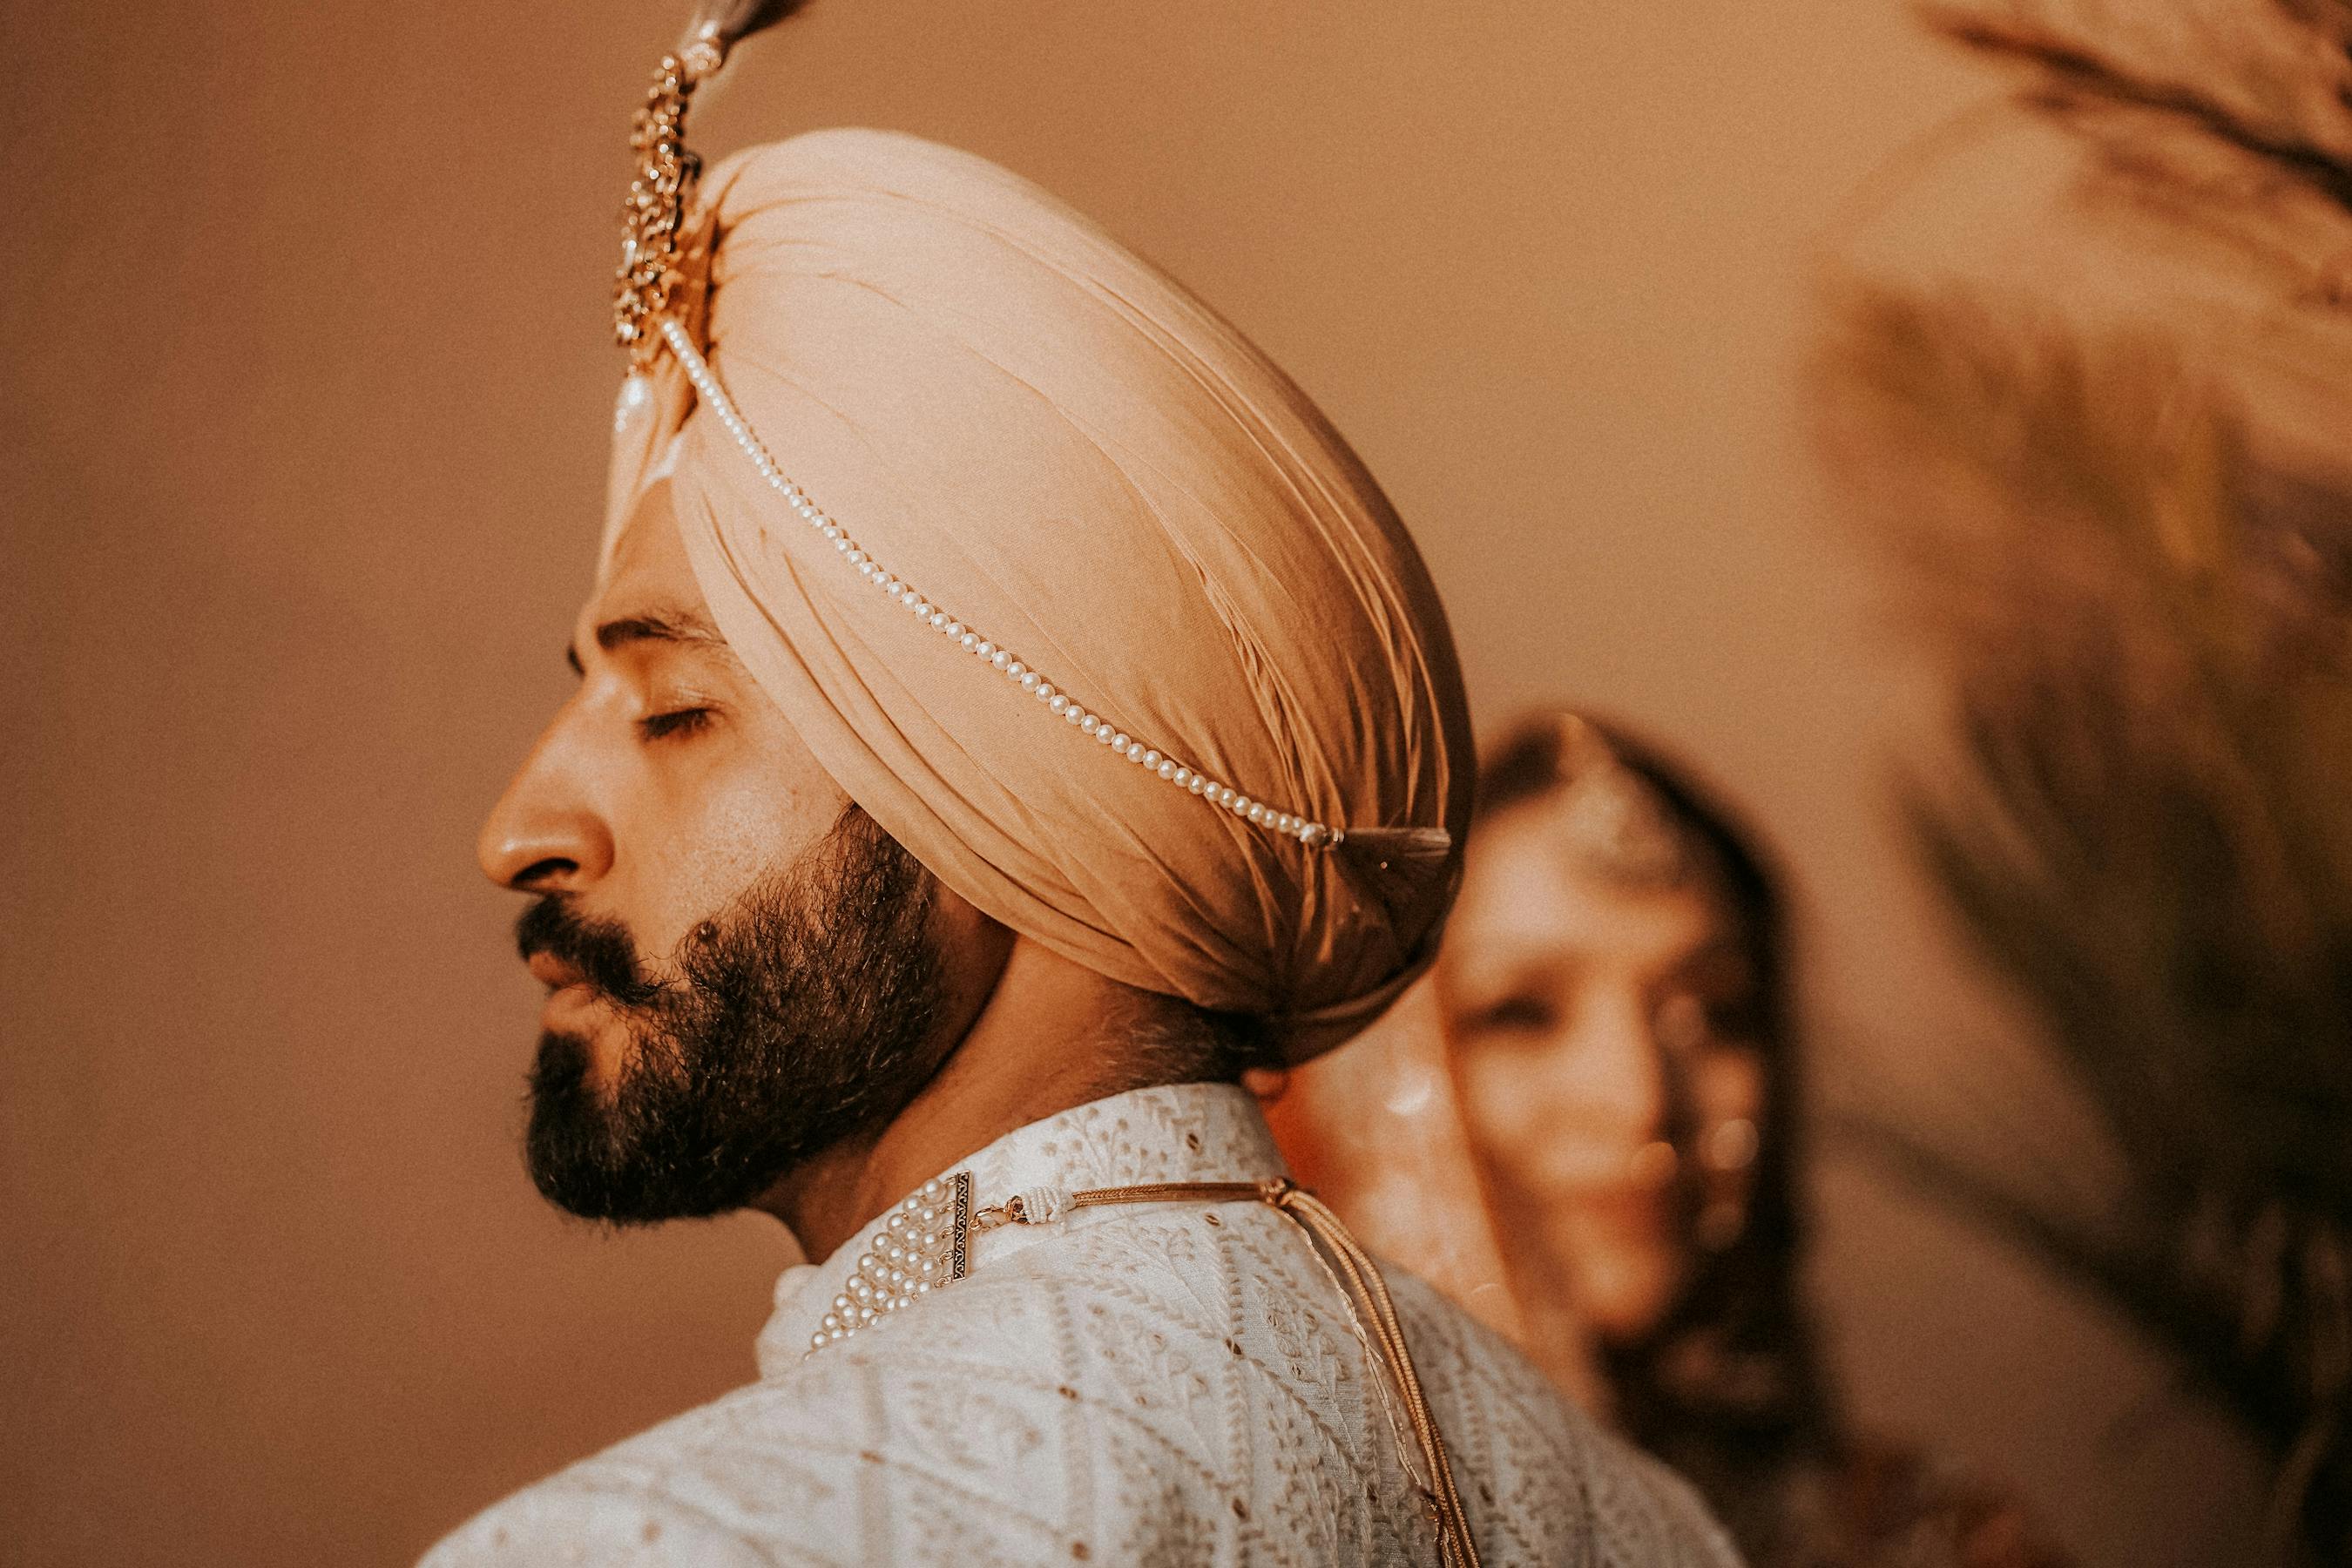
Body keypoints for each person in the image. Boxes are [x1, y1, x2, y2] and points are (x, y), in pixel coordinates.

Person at [422, 9, 1737, 1565]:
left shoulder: (668, 1545)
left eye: (677, 711)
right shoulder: (1650, 1527)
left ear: (1001, 793)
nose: (521, 831)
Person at [1276, 712, 2059, 1567]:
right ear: (1382, 1074)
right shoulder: (1264, 1524)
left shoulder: (1937, 1543)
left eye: (1713, 1012)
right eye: (1523, 1012)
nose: (1641, 1099)